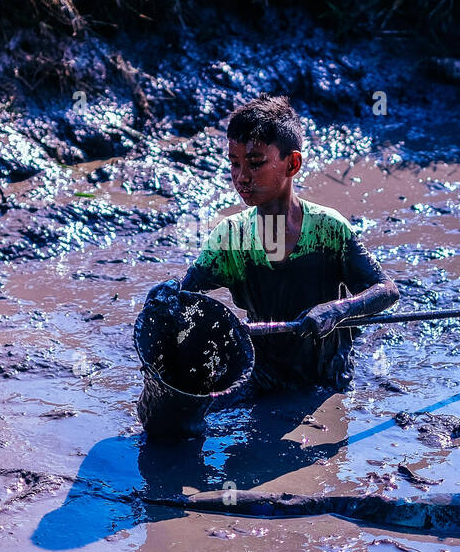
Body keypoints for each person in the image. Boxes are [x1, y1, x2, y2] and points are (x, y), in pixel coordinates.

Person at [171, 94, 399, 394]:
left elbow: (387, 291)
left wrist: (337, 310)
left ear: (292, 164)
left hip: (328, 376)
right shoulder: (231, 237)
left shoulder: (328, 229)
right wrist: (167, 294)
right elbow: (185, 294)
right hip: (262, 374)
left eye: (255, 163)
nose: (241, 178)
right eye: (234, 164)